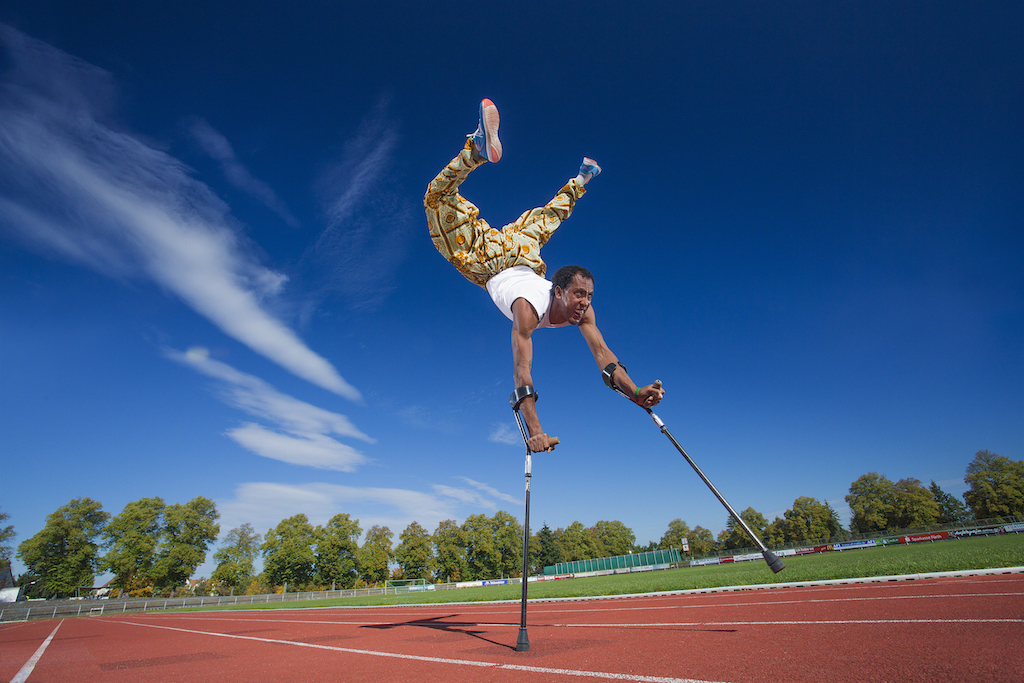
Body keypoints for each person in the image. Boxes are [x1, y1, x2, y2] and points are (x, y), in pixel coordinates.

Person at [425, 99, 665, 452]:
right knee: (436, 199)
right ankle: (476, 149)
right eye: (578, 295)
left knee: (550, 215)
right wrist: (534, 430)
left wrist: (636, 393)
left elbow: (603, 356)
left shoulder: (581, 313)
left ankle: (582, 177)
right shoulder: (528, 309)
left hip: (523, 251)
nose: (584, 304)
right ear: (558, 291)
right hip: (489, 262)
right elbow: (522, 373)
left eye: (589, 297)